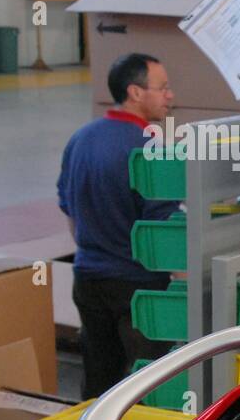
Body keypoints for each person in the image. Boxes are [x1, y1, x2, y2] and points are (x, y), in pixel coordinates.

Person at [57, 53, 181, 399]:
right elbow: (165, 232)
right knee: (149, 387)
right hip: (138, 290)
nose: (170, 96)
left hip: (88, 280)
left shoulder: (81, 138)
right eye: (163, 88)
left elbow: (69, 210)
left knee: (99, 382)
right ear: (135, 93)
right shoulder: (151, 149)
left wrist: (94, 252)